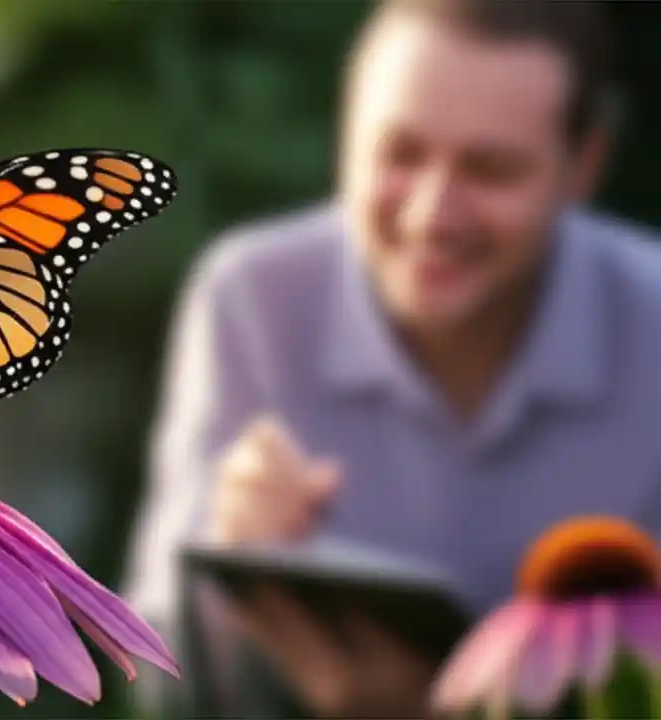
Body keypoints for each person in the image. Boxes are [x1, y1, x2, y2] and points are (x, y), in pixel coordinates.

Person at [128, 1, 661, 716]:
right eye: (398, 156)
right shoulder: (251, 299)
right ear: (346, 136)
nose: (432, 214)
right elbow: (157, 673)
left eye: (490, 170)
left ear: (583, 165)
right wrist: (227, 585)